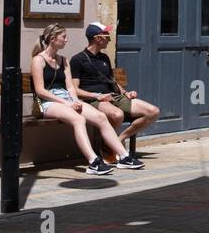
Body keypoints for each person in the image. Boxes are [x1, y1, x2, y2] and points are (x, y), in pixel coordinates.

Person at [29, 23, 143, 174]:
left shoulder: (63, 60)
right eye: (63, 37)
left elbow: (70, 87)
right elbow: (40, 90)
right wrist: (67, 103)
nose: (66, 40)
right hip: (48, 102)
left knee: (101, 117)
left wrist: (75, 100)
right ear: (52, 38)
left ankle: (124, 157)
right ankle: (93, 162)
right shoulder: (38, 60)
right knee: (79, 119)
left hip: (67, 99)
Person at [70, 22, 160, 161]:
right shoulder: (78, 60)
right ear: (97, 38)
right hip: (93, 99)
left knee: (153, 111)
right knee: (117, 115)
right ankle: (108, 147)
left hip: (113, 96)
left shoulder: (104, 57)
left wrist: (125, 93)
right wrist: (98, 96)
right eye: (107, 36)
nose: (109, 39)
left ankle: (118, 139)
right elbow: (75, 89)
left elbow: (112, 80)